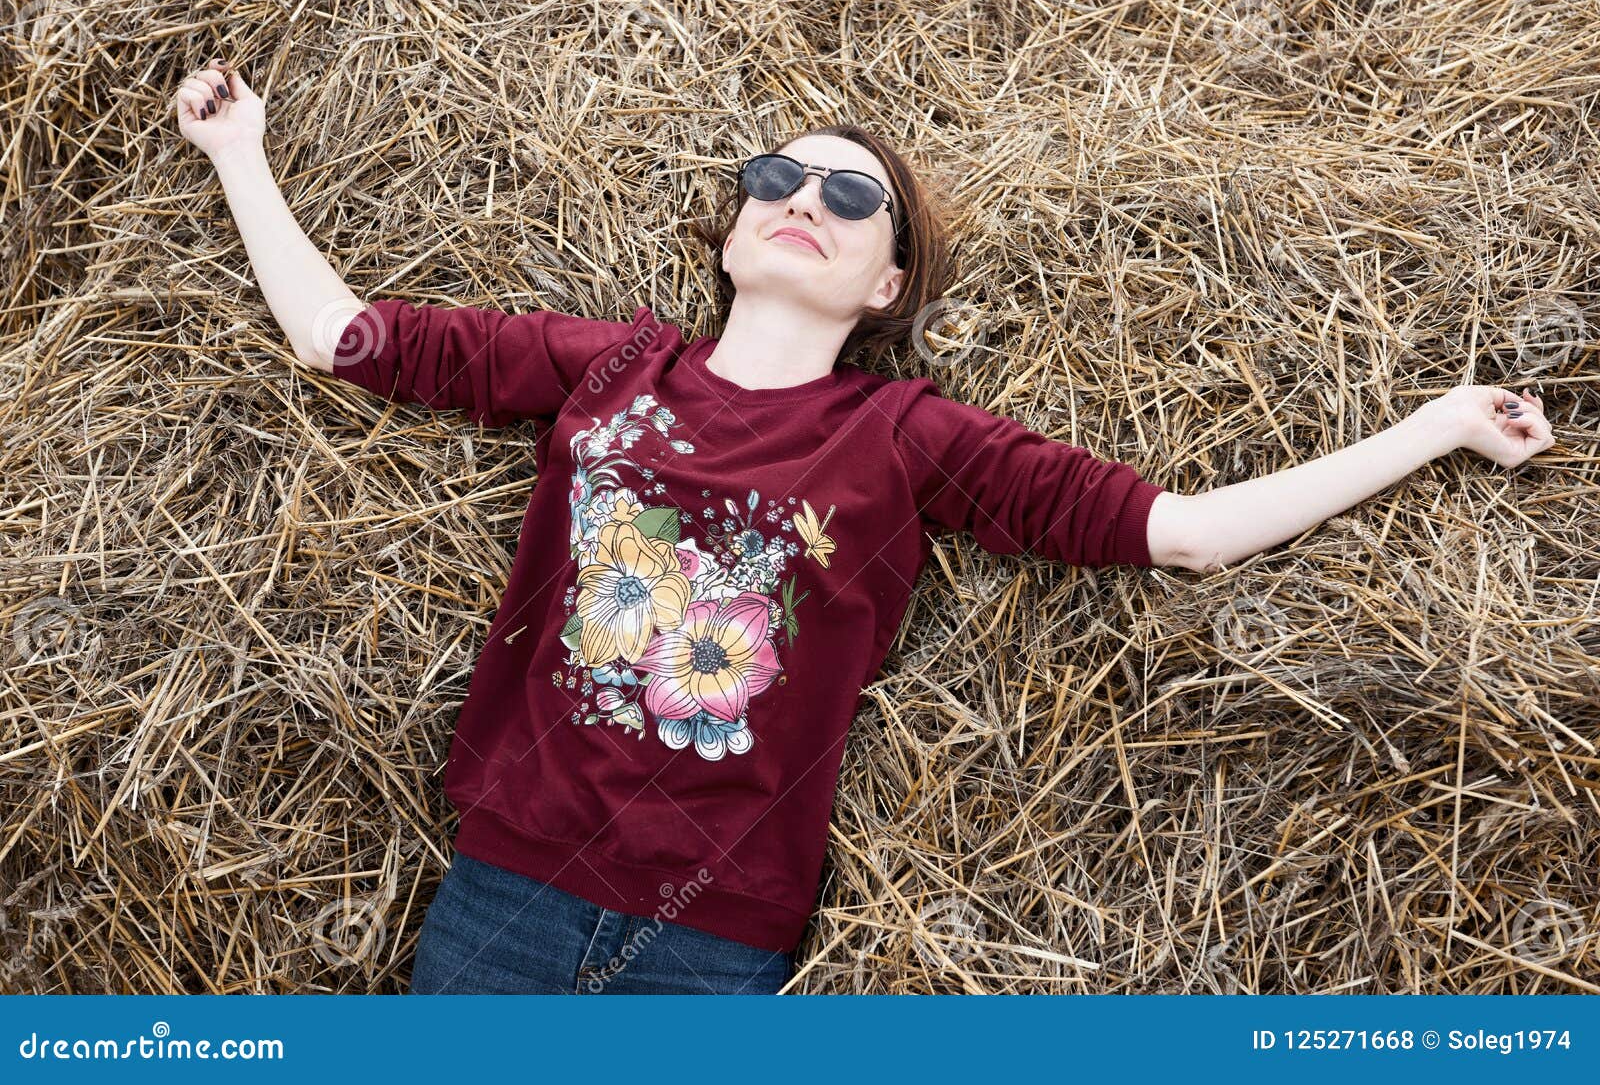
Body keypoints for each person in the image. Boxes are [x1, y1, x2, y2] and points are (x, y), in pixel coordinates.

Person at [174, 57, 1556, 994]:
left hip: (712, 940)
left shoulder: (907, 439)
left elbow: (1185, 533)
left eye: (851, 197)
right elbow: (338, 337)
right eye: (777, 177)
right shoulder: (606, 368)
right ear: (730, 235)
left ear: (887, 278)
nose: (802, 202)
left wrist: (1435, 423)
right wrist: (240, 149)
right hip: (506, 891)